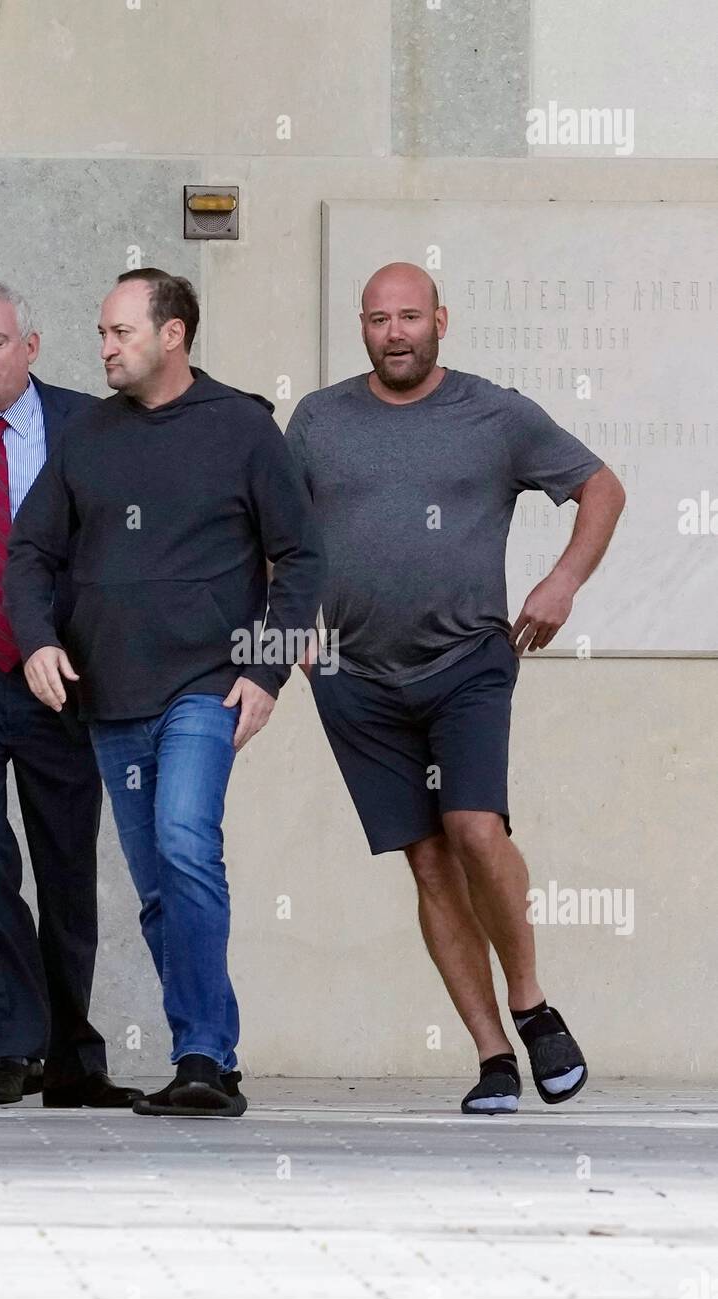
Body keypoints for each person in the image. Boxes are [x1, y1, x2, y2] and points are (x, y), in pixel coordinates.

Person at [286, 262, 625, 1115]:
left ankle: (532, 1004)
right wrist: (288, 623)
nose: (393, 333)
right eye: (377, 320)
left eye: (408, 317)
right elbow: (275, 527)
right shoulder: (320, 419)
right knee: (429, 862)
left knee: (474, 828)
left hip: (467, 661)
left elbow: (601, 488)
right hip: (354, 676)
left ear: (441, 319)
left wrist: (562, 583)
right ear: (360, 327)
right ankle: (492, 1060)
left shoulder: (494, 413)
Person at [5, 269, 325, 1117]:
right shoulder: (87, 437)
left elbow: (300, 558)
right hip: (110, 700)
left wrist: (265, 670)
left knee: (187, 845)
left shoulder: (242, 431)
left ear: (172, 334)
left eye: (121, 332)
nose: (105, 347)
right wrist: (37, 639)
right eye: (103, 332)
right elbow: (29, 552)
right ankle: (209, 1052)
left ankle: (200, 1056)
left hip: (206, 687)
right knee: (157, 889)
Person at [0, 281, 138, 1109]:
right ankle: (16, 1043)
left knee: (64, 865)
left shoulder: (87, 425)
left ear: (32, 345)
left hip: (56, 675)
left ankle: (73, 1057)